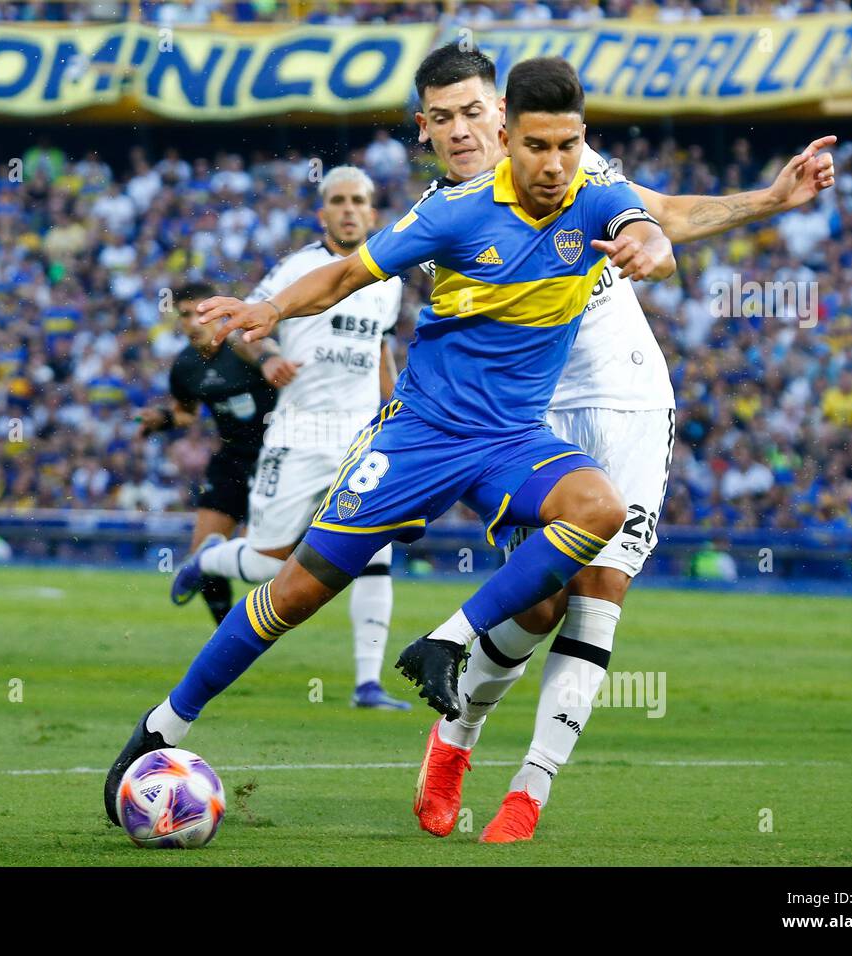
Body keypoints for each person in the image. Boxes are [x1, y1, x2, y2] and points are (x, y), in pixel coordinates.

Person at [104, 56, 676, 828]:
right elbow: (348, 275)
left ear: (581, 140)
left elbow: (648, 229)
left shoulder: (598, 197)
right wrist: (268, 311)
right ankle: (164, 724)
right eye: (538, 147)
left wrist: (652, 247)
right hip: (422, 433)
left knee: (597, 509)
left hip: (513, 440)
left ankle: (447, 640)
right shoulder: (455, 212)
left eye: (567, 146)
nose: (553, 164)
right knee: (297, 590)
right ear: (511, 138)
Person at [406, 43, 836, 843]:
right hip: (531, 417)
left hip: (629, 398)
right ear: (426, 127)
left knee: (600, 593)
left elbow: (660, 217)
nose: (466, 130)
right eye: (446, 117)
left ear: (501, 112)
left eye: (477, 111)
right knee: (537, 601)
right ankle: (454, 741)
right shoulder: (442, 219)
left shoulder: (569, 159)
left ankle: (528, 794)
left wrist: (772, 200)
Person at [171, 166, 410, 710]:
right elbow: (243, 329)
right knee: (269, 562)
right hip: (299, 434)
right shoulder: (296, 268)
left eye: (359, 201)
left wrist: (393, 409)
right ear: (323, 213)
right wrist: (273, 354)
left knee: (377, 551)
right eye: (339, 201)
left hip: (360, 436)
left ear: (372, 213)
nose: (349, 209)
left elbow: (379, 348)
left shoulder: (389, 280)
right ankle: (207, 560)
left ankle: (368, 684)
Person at [134, 282, 277, 624]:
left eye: (201, 313)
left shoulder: (249, 348)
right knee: (202, 551)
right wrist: (163, 420)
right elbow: (186, 412)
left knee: (262, 562)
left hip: (276, 460)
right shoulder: (185, 367)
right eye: (185, 315)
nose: (193, 322)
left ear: (220, 313)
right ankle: (226, 636)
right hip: (231, 460)